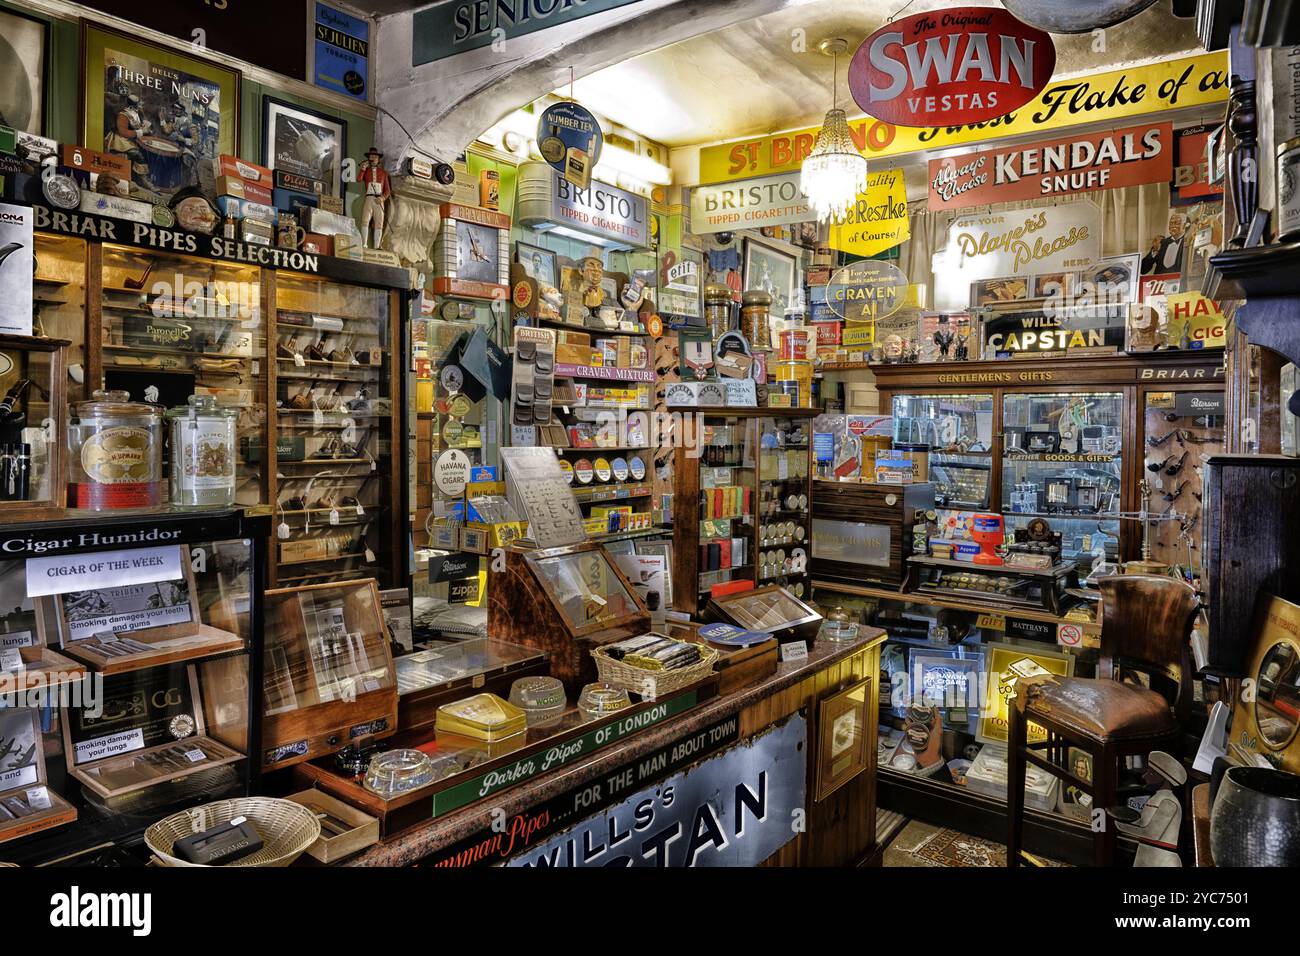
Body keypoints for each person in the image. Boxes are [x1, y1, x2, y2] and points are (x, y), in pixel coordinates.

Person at [358, 146, 391, 248]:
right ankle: (364, 244)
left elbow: (388, 190)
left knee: (379, 222)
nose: (373, 158)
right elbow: (359, 179)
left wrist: (382, 198)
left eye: (375, 157)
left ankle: (376, 246)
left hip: (379, 200)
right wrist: (362, 169)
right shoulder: (366, 170)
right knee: (365, 220)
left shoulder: (383, 173)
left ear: (378, 159)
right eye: (371, 156)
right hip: (369, 198)